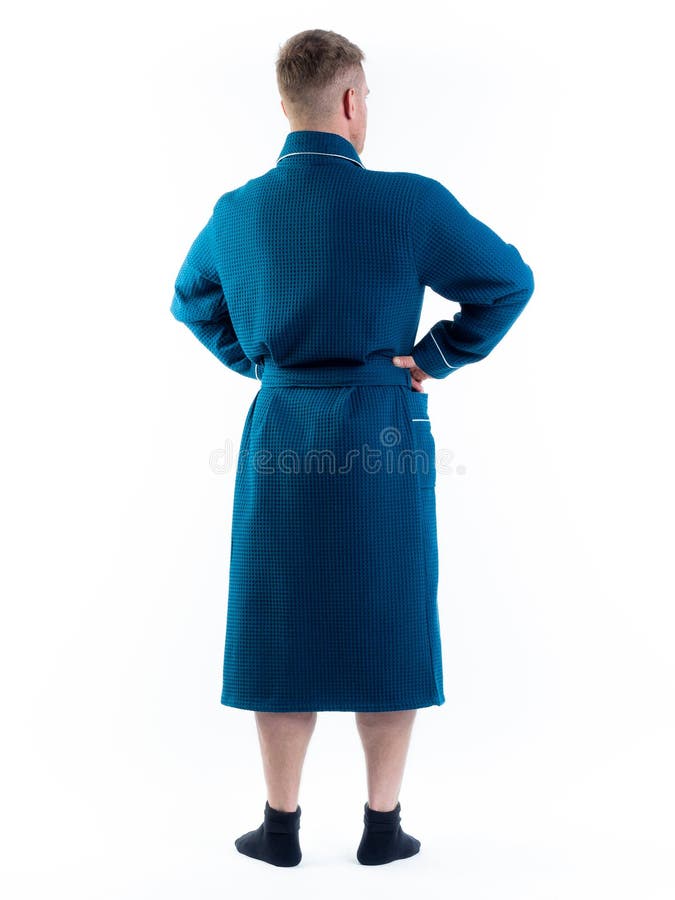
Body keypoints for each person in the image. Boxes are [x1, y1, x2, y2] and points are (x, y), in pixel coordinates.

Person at [170, 29, 534, 868]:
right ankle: (381, 827)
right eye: (365, 95)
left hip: (281, 430)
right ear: (348, 102)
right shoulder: (411, 202)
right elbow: (507, 281)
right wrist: (434, 357)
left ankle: (280, 827)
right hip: (381, 427)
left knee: (278, 621)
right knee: (387, 614)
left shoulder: (237, 212)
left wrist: (258, 363)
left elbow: (191, 301)